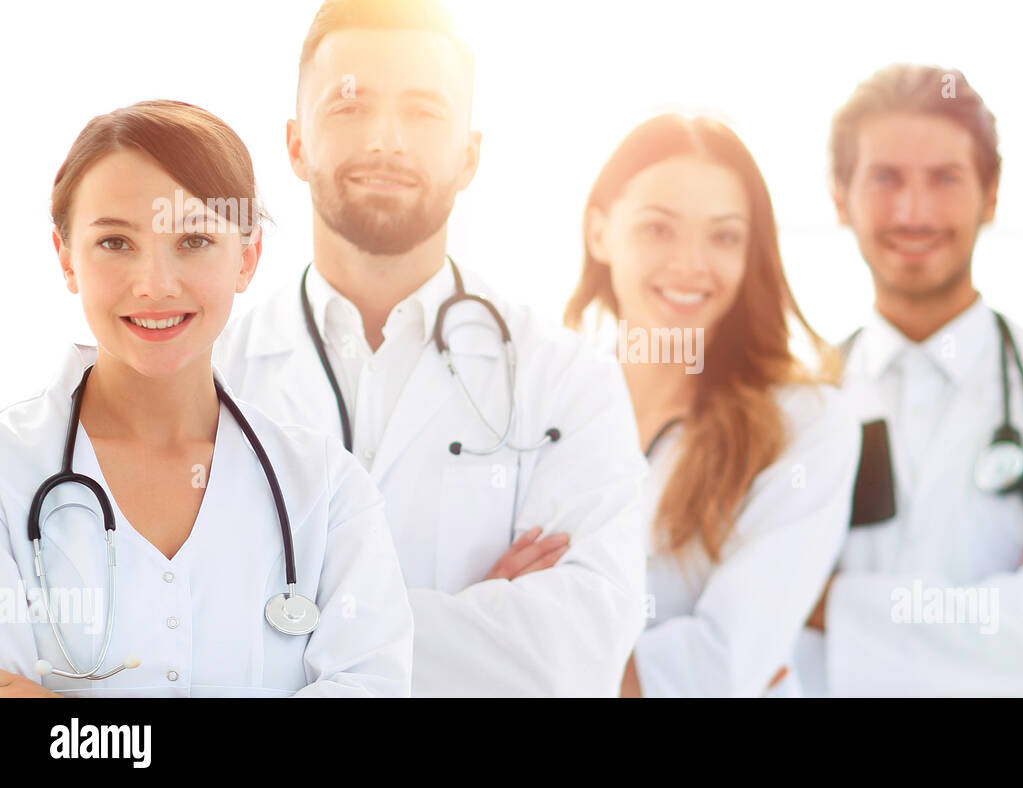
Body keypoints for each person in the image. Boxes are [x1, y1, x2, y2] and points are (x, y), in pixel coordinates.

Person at [212, 0, 646, 696]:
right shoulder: (208, 374)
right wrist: (472, 621)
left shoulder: (568, 381)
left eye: (423, 112)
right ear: (295, 143)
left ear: (470, 154)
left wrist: (281, 622)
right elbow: (166, 631)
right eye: (350, 107)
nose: (387, 140)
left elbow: (574, 656)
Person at [0, 100, 413, 698]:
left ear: (246, 258)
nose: (155, 285)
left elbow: (371, 686)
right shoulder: (10, 469)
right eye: (115, 242)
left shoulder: (324, 491)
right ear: (66, 259)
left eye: (193, 240)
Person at [795, 64, 1023, 696]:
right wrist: (1000, 613)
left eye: (944, 178)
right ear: (838, 197)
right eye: (885, 178)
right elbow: (754, 621)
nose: (913, 210)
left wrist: (827, 606)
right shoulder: (789, 410)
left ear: (991, 194)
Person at [564, 114, 858, 697]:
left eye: (724, 236)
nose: (692, 264)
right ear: (600, 232)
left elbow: (721, 668)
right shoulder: (543, 408)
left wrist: (524, 654)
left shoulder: (802, 423)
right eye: (658, 229)